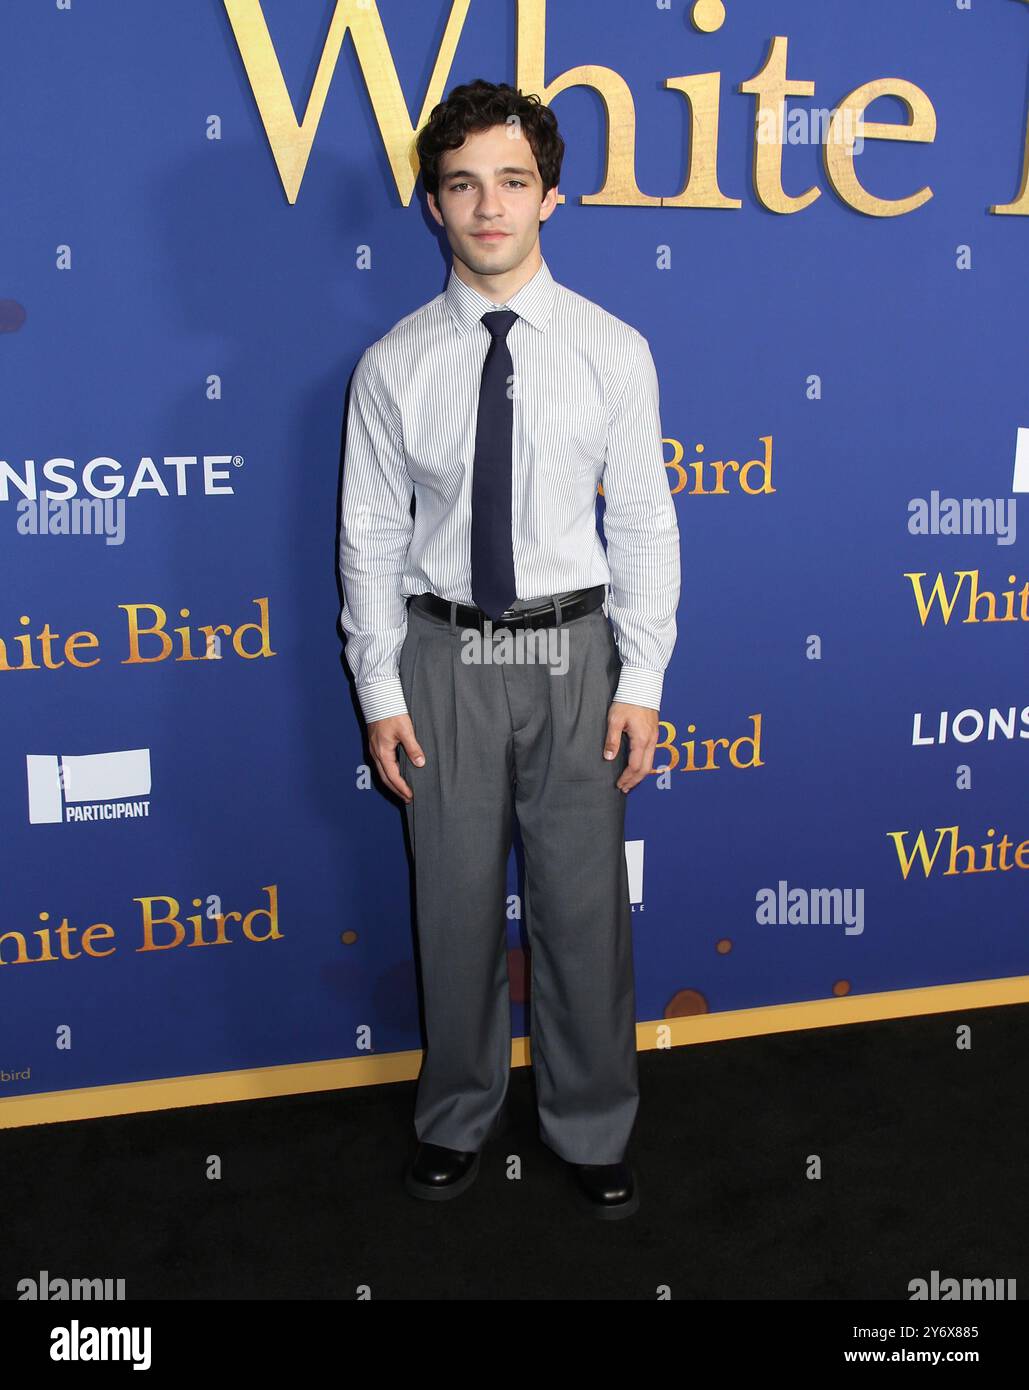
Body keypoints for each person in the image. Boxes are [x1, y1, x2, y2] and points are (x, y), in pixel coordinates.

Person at [338, 79, 680, 1219]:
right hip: (443, 660)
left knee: (585, 908)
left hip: (574, 653)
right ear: (432, 204)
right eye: (463, 184)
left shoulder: (611, 349)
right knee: (451, 904)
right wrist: (381, 690)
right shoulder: (392, 365)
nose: (490, 206)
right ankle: (456, 1114)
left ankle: (592, 1123)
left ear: (553, 196)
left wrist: (643, 676)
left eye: (513, 181)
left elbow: (640, 521)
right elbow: (372, 540)